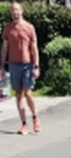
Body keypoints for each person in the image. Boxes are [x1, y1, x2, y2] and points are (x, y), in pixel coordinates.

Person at [0, 2, 40, 135]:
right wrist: (2, 65)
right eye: (12, 11)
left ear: (21, 11)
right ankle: (24, 124)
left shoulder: (29, 27)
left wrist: (36, 66)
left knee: (28, 92)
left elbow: (34, 48)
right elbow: (5, 47)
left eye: (17, 10)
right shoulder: (8, 28)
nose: (15, 13)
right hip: (14, 64)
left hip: (27, 64)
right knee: (18, 94)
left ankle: (35, 117)